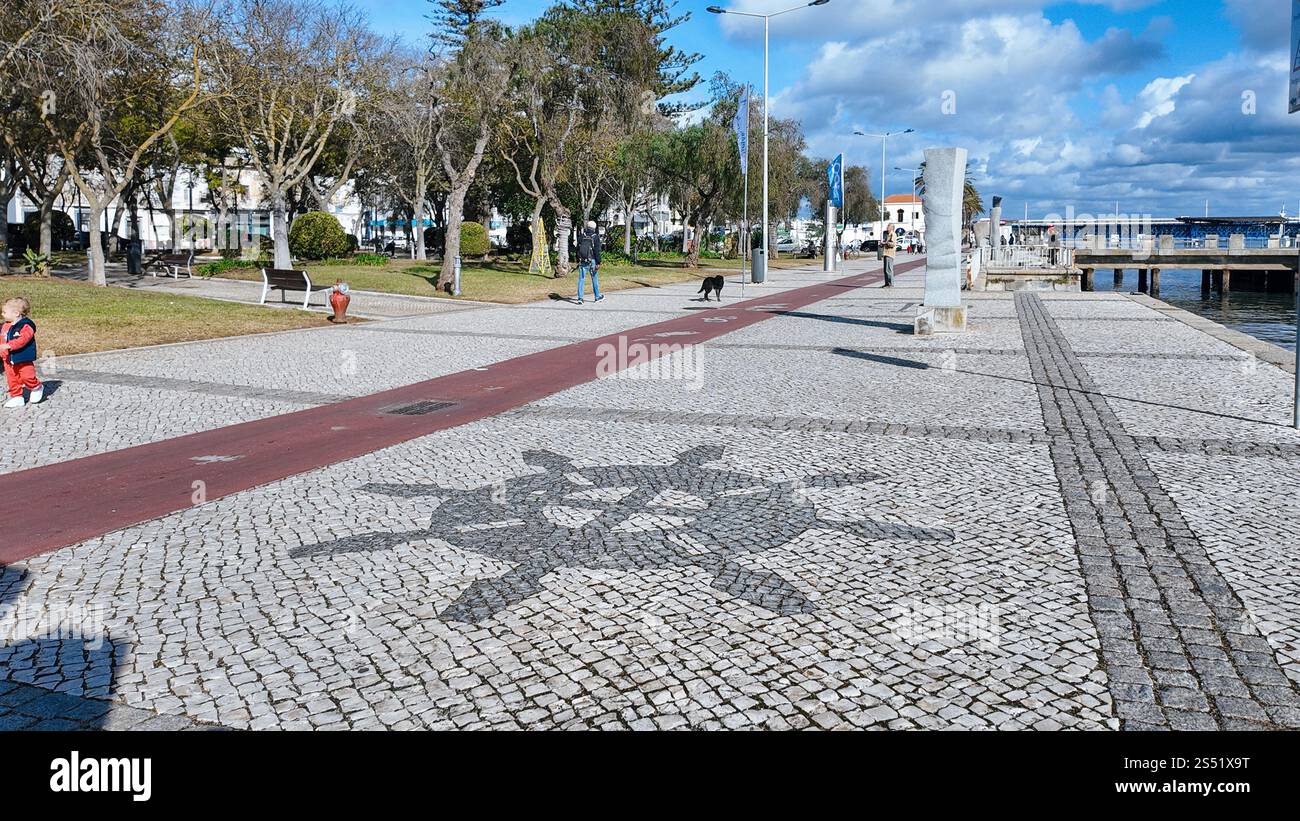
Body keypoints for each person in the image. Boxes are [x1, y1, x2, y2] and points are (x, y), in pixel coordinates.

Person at [1, 296, 43, 408]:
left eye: (4, 312)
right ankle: (17, 397)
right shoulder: (5, 325)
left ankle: (36, 387)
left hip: (23, 358)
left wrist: (9, 345)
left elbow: (23, 340)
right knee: (12, 379)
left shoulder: (26, 326)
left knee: (27, 376)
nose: (2, 314)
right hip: (8, 359)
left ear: (16, 313)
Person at [576, 220, 603, 304]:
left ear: (587, 227)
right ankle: (597, 297)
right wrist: (599, 262)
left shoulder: (582, 236)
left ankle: (580, 298)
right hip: (593, 261)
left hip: (583, 261)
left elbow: (578, 248)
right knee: (594, 278)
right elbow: (597, 251)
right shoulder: (595, 236)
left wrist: (578, 260)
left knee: (581, 279)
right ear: (594, 228)